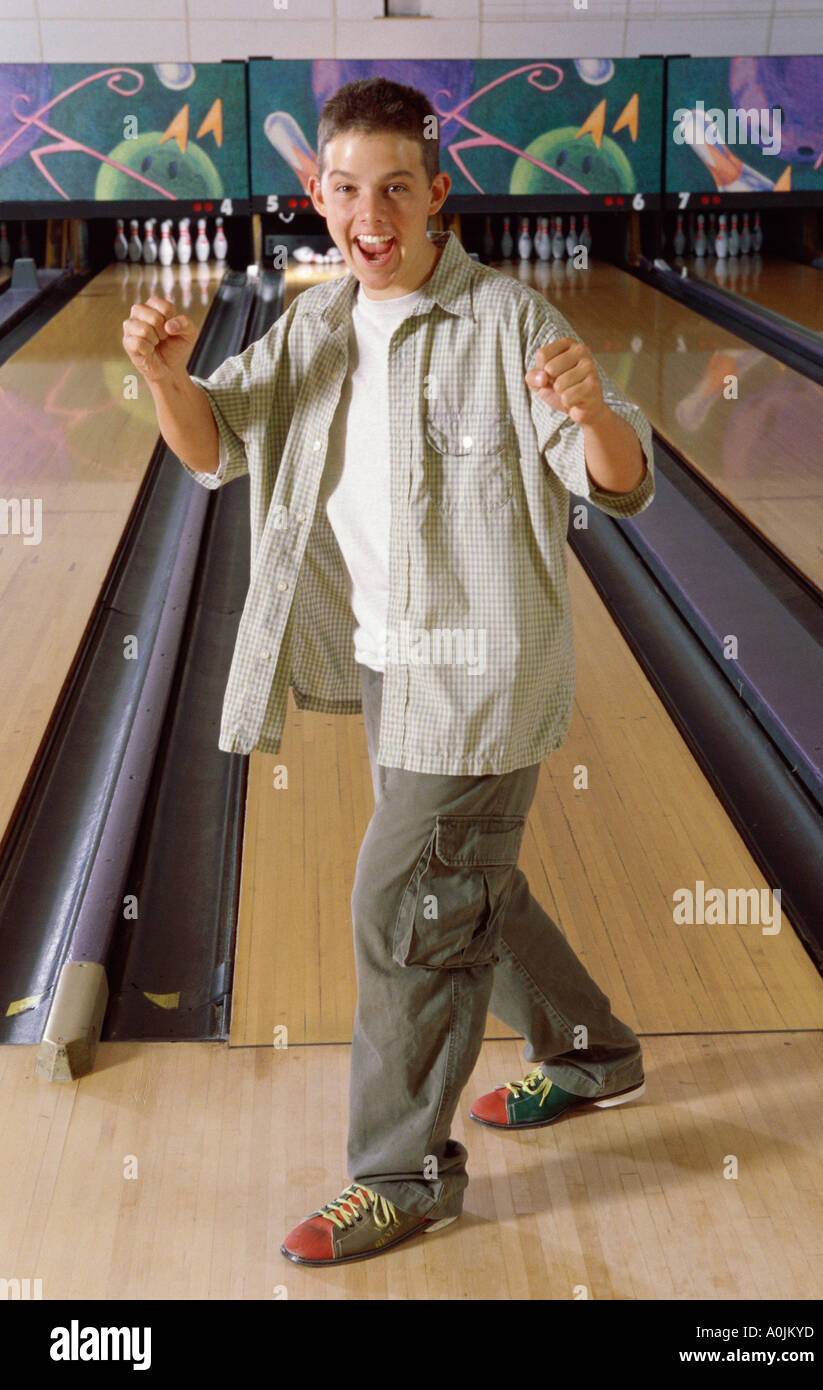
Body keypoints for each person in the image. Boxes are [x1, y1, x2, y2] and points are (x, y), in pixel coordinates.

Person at [122, 76, 654, 1268]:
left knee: (400, 911)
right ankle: (595, 1055)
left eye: (395, 190)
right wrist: (165, 375)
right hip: (388, 670)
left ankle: (403, 1175)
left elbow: (613, 477)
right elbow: (213, 444)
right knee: (467, 888)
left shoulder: (511, 324)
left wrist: (594, 407)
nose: (370, 213)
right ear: (320, 195)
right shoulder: (315, 324)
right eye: (346, 189)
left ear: (438, 199)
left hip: (482, 682)